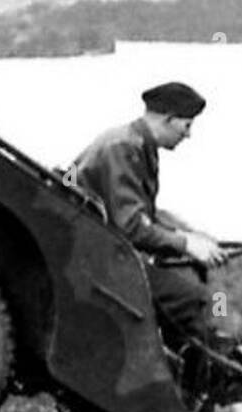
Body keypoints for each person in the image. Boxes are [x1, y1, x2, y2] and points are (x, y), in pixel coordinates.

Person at [70, 82, 229, 362]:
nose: (189, 135)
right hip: (93, 257)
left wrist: (188, 239)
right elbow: (131, 226)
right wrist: (185, 244)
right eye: (186, 125)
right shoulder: (124, 148)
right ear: (168, 119)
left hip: (97, 248)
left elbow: (144, 217)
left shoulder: (137, 144)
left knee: (186, 287)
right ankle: (210, 385)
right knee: (195, 300)